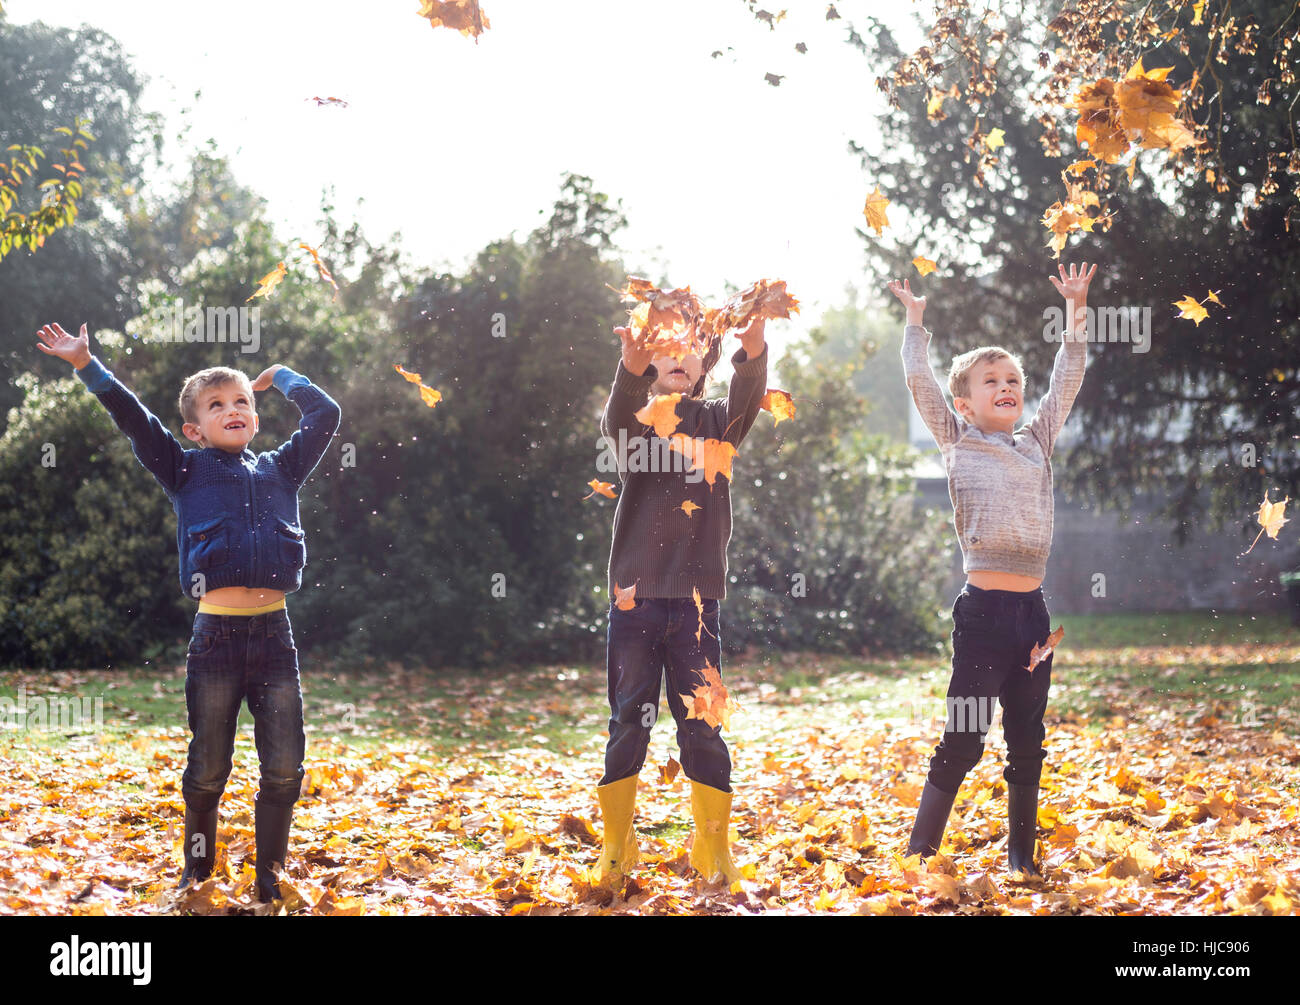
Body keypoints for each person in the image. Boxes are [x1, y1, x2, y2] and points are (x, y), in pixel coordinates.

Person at [37, 321, 341, 902]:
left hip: (276, 637)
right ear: (193, 428)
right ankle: (196, 873)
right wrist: (85, 365)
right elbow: (134, 420)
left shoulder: (282, 469)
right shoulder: (184, 470)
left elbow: (325, 416)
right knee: (208, 768)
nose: (234, 409)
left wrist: (282, 378)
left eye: (243, 402)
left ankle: (269, 882)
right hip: (217, 641)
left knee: (283, 766)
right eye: (217, 404)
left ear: (255, 416)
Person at [889, 262, 1095, 876]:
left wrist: (1078, 309)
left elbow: (1068, 376)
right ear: (965, 403)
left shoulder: (1037, 441)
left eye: (1012, 379)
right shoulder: (956, 439)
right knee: (964, 740)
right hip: (982, 619)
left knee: (1027, 744)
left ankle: (1020, 862)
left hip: (1032, 620)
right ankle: (919, 855)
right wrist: (916, 322)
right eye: (991, 381)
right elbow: (917, 378)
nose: (1006, 387)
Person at [594, 307, 768, 887]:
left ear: (704, 362)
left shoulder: (718, 423)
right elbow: (616, 420)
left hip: (696, 607)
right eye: (661, 348)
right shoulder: (641, 421)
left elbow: (746, 401)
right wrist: (630, 366)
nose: (674, 357)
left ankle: (712, 848)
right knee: (628, 719)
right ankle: (617, 844)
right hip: (635, 602)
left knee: (703, 722)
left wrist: (753, 350)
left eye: (687, 348)